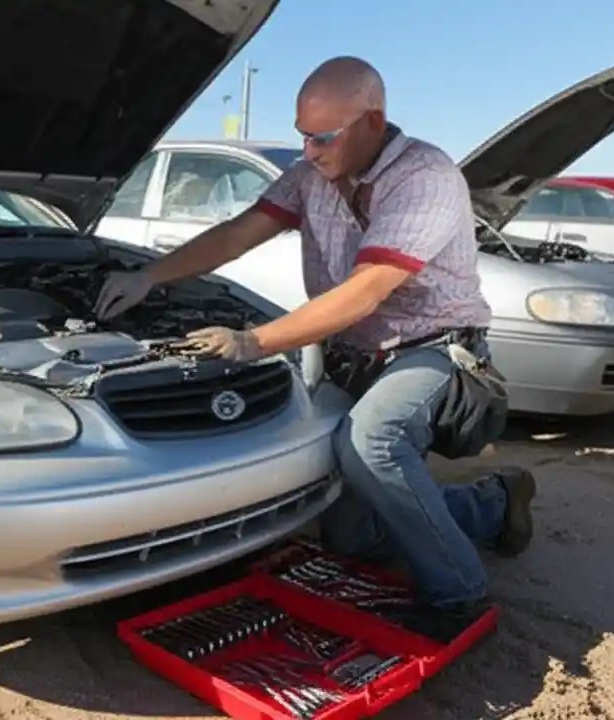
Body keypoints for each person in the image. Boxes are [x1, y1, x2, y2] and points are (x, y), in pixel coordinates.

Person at [92, 56, 535, 620]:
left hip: (434, 348)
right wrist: (149, 276)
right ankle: (494, 506)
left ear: (373, 122)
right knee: (352, 535)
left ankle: (457, 593)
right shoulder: (311, 177)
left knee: (369, 441)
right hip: (357, 353)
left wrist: (252, 342)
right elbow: (237, 234)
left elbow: (365, 292)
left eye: (322, 137)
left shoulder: (425, 177)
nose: (309, 151)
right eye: (302, 137)